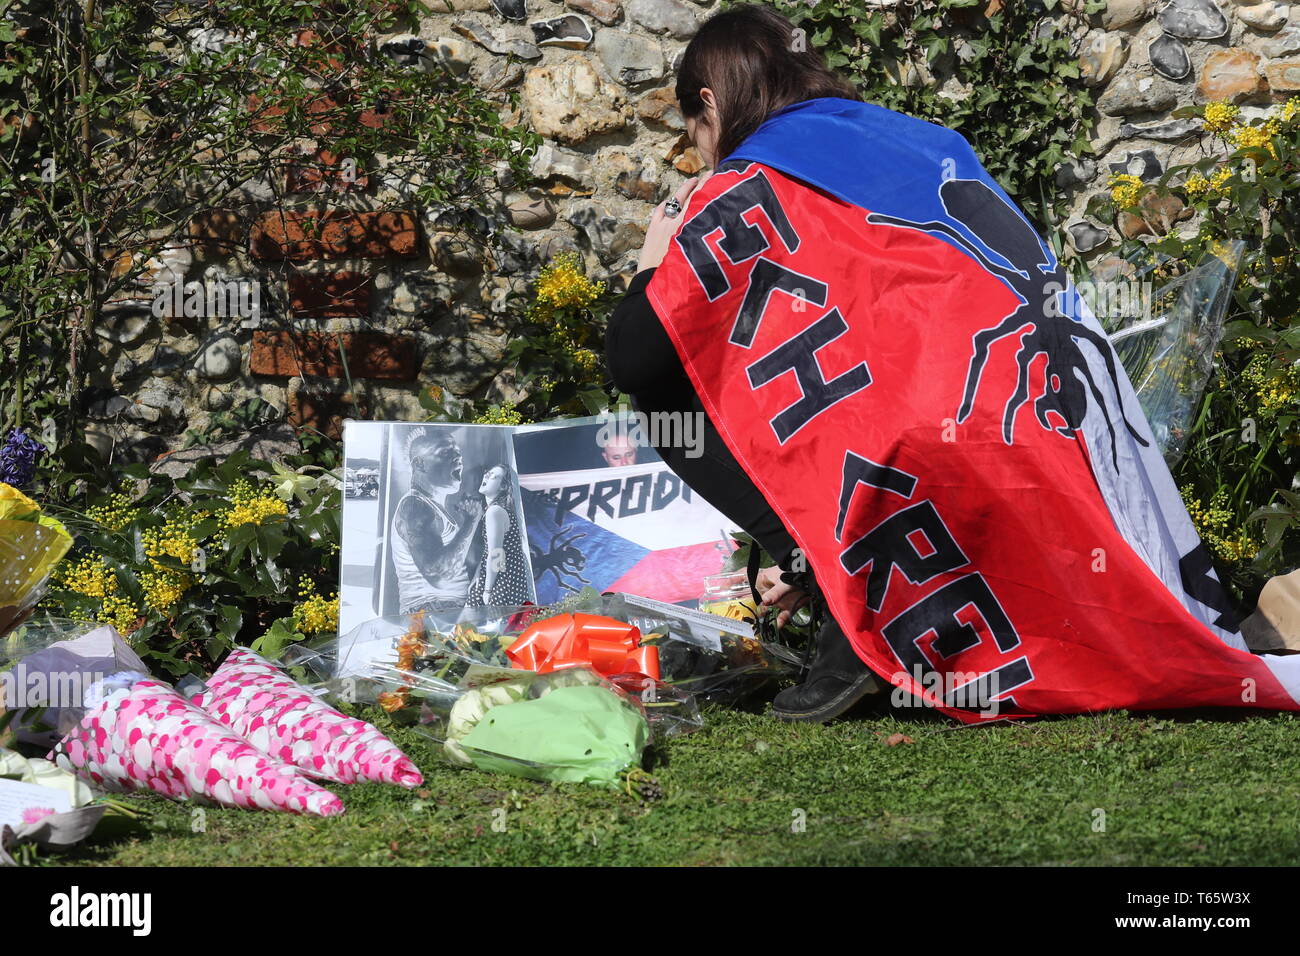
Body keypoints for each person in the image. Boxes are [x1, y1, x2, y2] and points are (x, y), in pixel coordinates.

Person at [605, 4, 881, 723]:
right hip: (977, 404)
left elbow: (636, 360)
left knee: (668, 401)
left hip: (890, 431)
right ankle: (828, 564)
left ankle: (851, 608)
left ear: (709, 104)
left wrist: (652, 265)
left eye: (694, 135)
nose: (700, 155)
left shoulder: (753, 181)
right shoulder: (876, 144)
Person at [389, 429, 481, 613]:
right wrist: (471, 522)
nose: (458, 457)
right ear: (420, 464)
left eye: (457, 451)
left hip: (442, 614)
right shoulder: (415, 507)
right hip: (431, 615)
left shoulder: (428, 506)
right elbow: (439, 575)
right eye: (446, 452)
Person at [464, 464, 532, 608]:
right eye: (487, 473)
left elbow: (496, 554)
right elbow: (491, 549)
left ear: (502, 486)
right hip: (501, 575)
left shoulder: (495, 511)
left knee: (476, 624)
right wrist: (478, 574)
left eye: (493, 476)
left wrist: (487, 590)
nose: (486, 476)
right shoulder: (497, 509)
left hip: (502, 579)